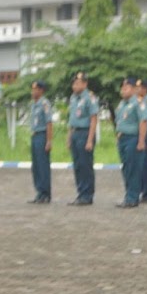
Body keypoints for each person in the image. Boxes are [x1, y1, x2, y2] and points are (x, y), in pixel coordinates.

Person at [66, 72, 100, 205]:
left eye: (78, 83)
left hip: (85, 133)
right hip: (75, 133)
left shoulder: (90, 98)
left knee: (86, 165)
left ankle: (87, 195)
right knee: (78, 165)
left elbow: (93, 119)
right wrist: (69, 137)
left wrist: (90, 139)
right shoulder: (73, 98)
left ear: (85, 84)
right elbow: (71, 119)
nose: (75, 86)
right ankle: (81, 193)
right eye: (74, 83)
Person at [114, 78, 142, 208]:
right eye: (122, 87)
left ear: (134, 89)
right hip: (122, 139)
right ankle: (128, 195)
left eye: (127, 87)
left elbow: (143, 122)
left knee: (132, 168)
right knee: (126, 168)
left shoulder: (138, 103)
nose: (124, 90)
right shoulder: (122, 104)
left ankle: (133, 197)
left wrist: (141, 141)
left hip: (132, 138)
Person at [27, 80, 54, 204]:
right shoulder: (33, 104)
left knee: (43, 166)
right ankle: (39, 192)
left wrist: (49, 140)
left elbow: (49, 123)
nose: (33, 92)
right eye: (32, 89)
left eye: (35, 89)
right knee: (36, 166)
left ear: (41, 90)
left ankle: (45, 194)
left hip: (42, 135)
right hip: (34, 135)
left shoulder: (45, 103)